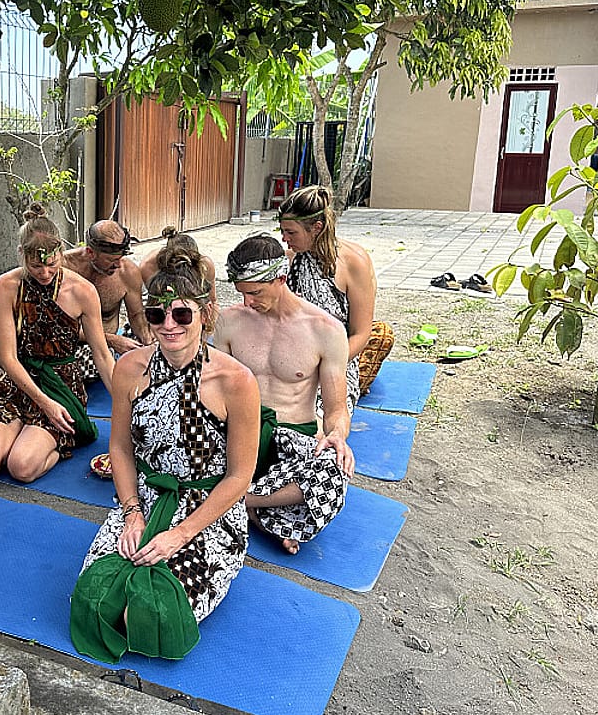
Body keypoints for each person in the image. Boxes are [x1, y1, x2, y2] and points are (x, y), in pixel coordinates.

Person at [69, 248, 260, 663]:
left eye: (181, 314)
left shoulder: (236, 381)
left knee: (155, 612)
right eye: (156, 315)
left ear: (205, 313)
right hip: (147, 496)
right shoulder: (130, 368)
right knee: (97, 600)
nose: (168, 325)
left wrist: (181, 533)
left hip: (207, 508)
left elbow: (239, 477)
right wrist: (132, 512)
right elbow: (119, 447)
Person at [217, 234, 353, 554]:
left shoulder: (326, 330)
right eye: (242, 293)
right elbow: (213, 387)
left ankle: (238, 501)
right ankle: (265, 513)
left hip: (292, 439)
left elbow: (335, 409)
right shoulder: (229, 321)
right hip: (237, 433)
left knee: (334, 471)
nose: (248, 301)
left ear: (280, 278)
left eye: (255, 292)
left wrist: (338, 436)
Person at [0, 204, 116, 483]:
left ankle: (59, 441)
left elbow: (101, 354)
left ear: (61, 254)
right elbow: (8, 357)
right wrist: (43, 403)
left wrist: (125, 405)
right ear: (22, 256)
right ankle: (24, 430)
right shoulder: (6, 287)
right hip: (20, 379)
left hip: (61, 385)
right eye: (36, 265)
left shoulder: (83, 291)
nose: (45, 272)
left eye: (52, 264)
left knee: (21, 468)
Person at [0, 219, 151, 377]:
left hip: (98, 348)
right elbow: (50, 327)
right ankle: (31, 372)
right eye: (110, 260)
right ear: (91, 252)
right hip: (59, 344)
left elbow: (137, 316)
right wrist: (112, 340)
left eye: (120, 258)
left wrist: (147, 342)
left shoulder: (127, 272)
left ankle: (30, 373)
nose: (118, 264)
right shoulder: (57, 269)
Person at [277, 187, 394, 409]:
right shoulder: (290, 260)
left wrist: (325, 368)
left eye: (291, 233)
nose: (284, 239)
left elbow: (360, 333)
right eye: (282, 231)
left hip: (336, 356)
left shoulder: (353, 262)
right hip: (294, 353)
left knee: (318, 418)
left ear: (316, 228)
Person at [137, 225, 218, 304]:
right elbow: (155, 300)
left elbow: (212, 300)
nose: (183, 269)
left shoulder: (205, 264)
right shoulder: (148, 265)